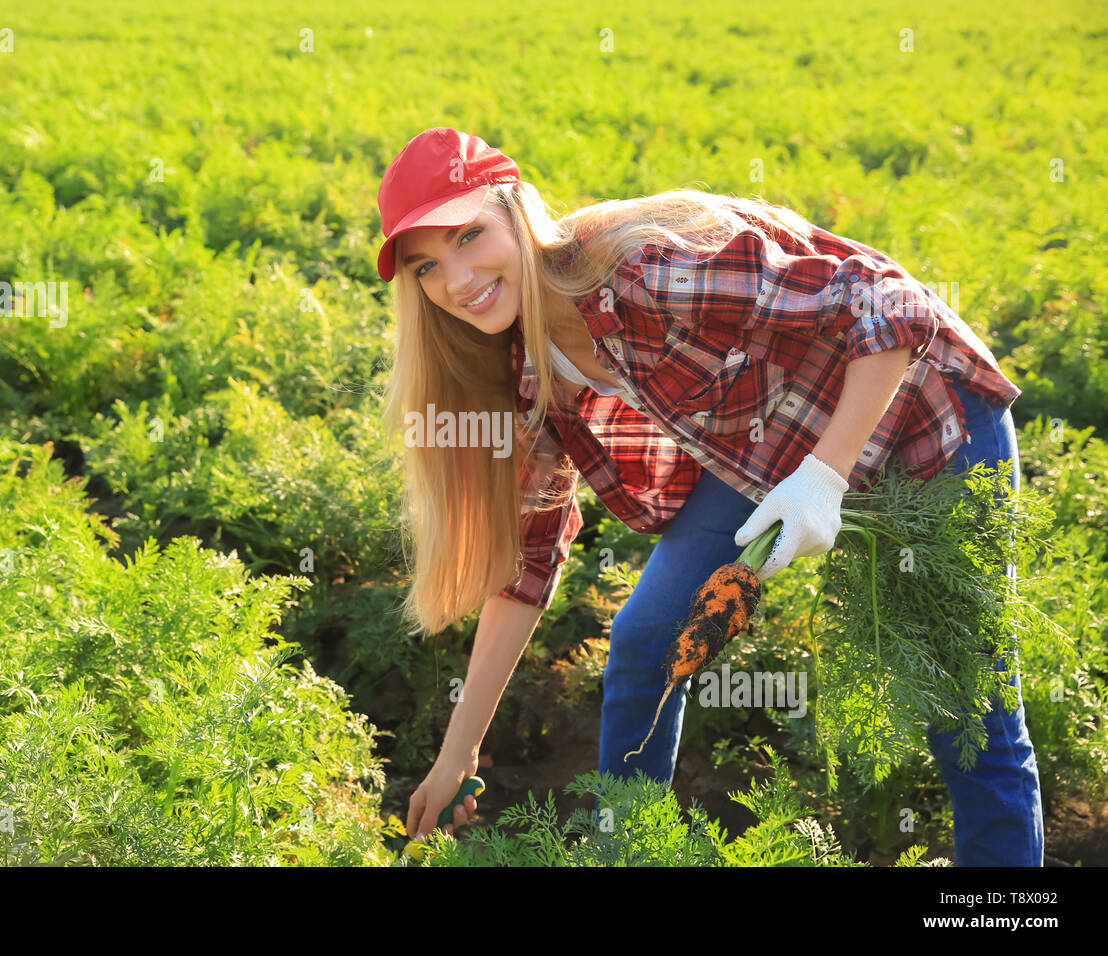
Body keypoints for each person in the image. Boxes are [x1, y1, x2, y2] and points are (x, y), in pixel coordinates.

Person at [379, 127, 1040, 865]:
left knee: (968, 702)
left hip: (926, 417)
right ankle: (633, 853)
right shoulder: (534, 371)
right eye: (427, 267)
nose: (458, 278)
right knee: (645, 642)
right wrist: (457, 756)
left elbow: (892, 305)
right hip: (769, 441)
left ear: (517, 210)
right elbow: (528, 568)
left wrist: (824, 480)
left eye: (470, 235)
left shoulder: (643, 269)